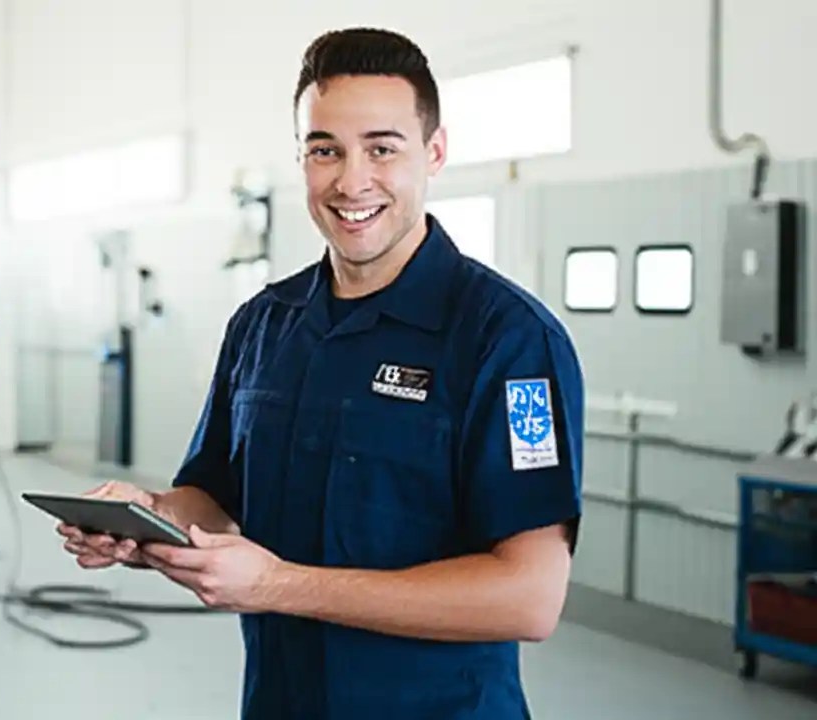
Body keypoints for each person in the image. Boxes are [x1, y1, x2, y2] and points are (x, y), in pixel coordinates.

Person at [57, 26, 583, 720]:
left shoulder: (508, 340)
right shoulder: (263, 324)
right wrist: (145, 520)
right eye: (325, 150)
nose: (351, 181)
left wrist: (278, 585)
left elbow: (529, 597)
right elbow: (212, 496)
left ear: (434, 152)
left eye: (382, 149)